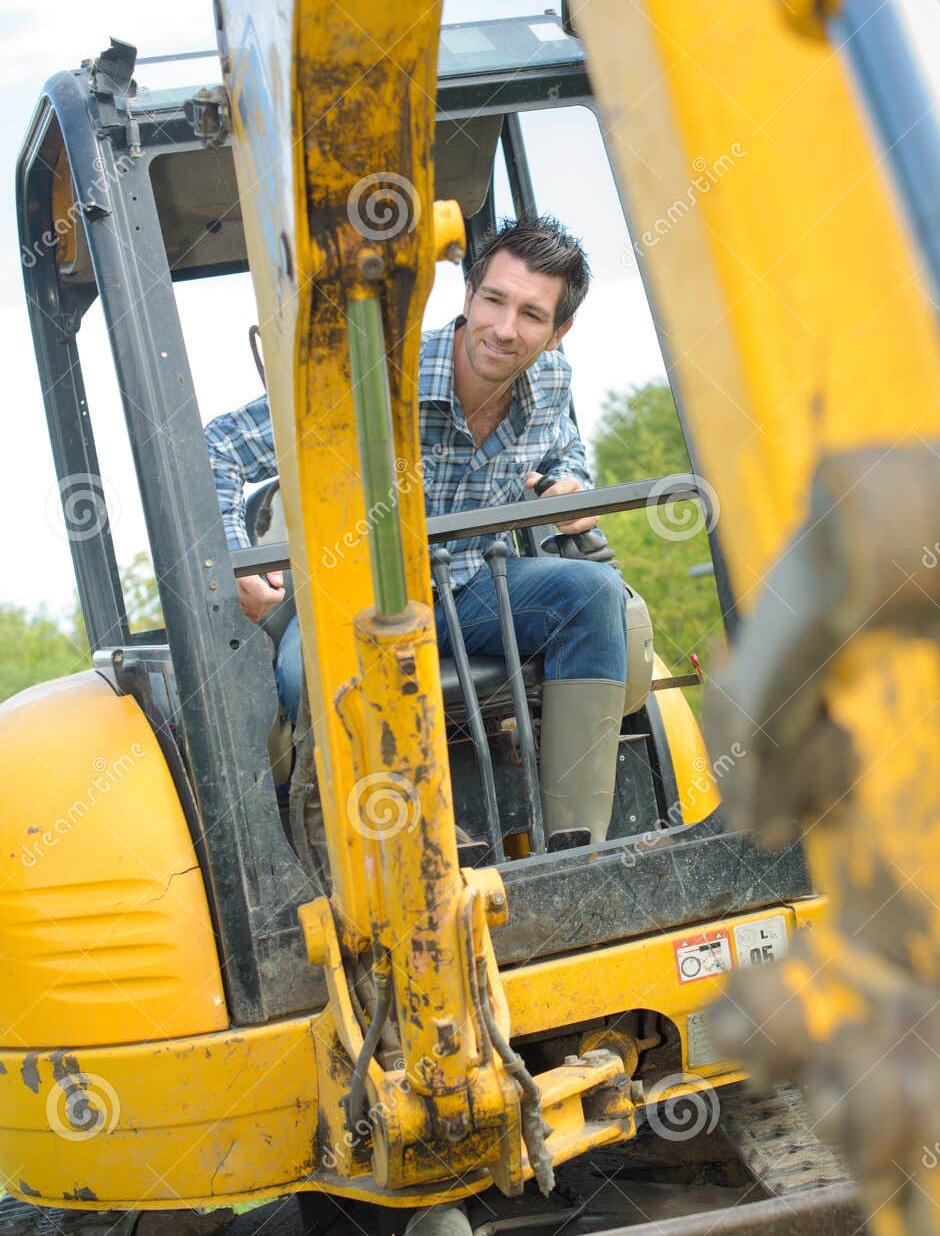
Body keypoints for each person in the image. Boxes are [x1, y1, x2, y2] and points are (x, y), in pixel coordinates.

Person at [204, 215, 628, 846]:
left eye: (533, 316)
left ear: (559, 331)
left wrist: (569, 487)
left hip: (469, 589)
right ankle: (408, 845)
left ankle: (576, 849)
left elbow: (562, 454)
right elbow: (218, 448)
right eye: (494, 300)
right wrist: (233, 562)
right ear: (467, 296)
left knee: (595, 594)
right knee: (306, 676)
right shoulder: (369, 372)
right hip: (355, 602)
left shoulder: (553, 381)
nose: (505, 329)